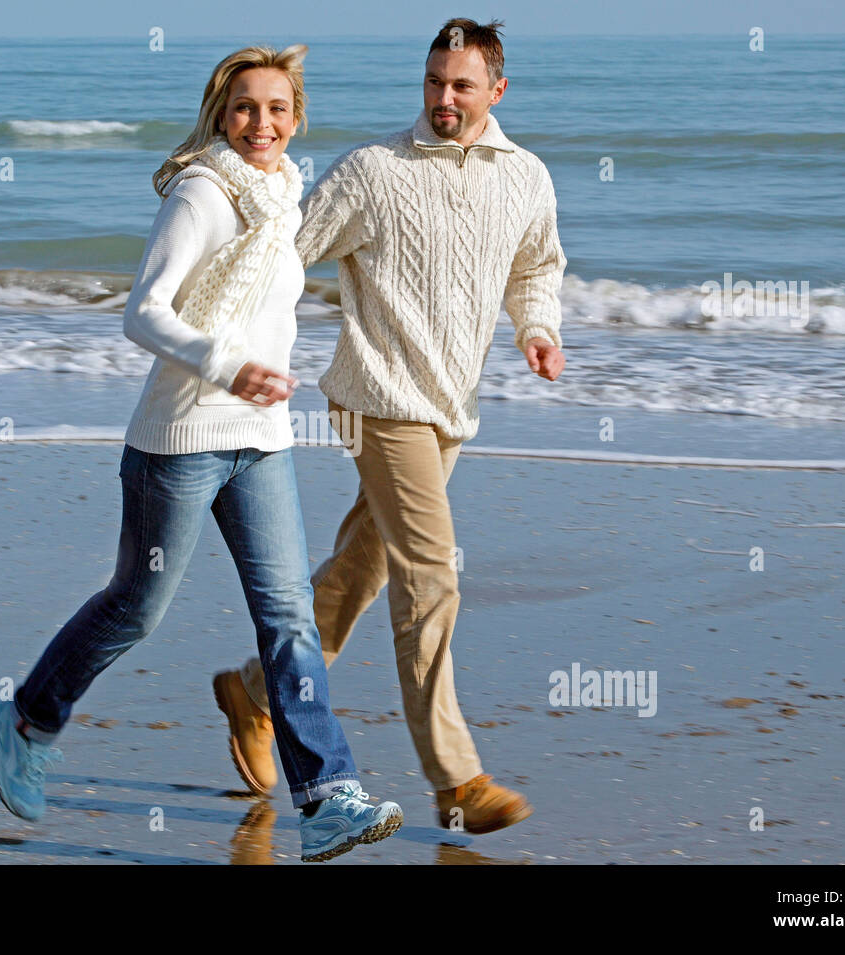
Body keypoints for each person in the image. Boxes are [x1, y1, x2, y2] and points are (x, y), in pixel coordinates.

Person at [0, 43, 402, 863]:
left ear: (297, 118)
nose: (263, 123)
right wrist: (226, 364)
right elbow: (143, 312)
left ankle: (326, 796)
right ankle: (30, 716)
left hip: (261, 442)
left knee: (288, 617)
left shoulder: (285, 199)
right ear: (221, 114)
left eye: (278, 108)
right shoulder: (202, 194)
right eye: (246, 107)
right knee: (136, 608)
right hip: (178, 443)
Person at [213, 18, 567, 834]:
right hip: (378, 397)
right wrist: (219, 344)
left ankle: (257, 692)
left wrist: (537, 329)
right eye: (434, 83)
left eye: (462, 86)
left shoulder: (527, 178)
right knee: (430, 577)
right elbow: (284, 252)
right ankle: (457, 776)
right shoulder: (374, 171)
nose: (444, 99)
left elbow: (535, 266)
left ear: (496, 92)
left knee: (366, 566)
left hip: (451, 406)